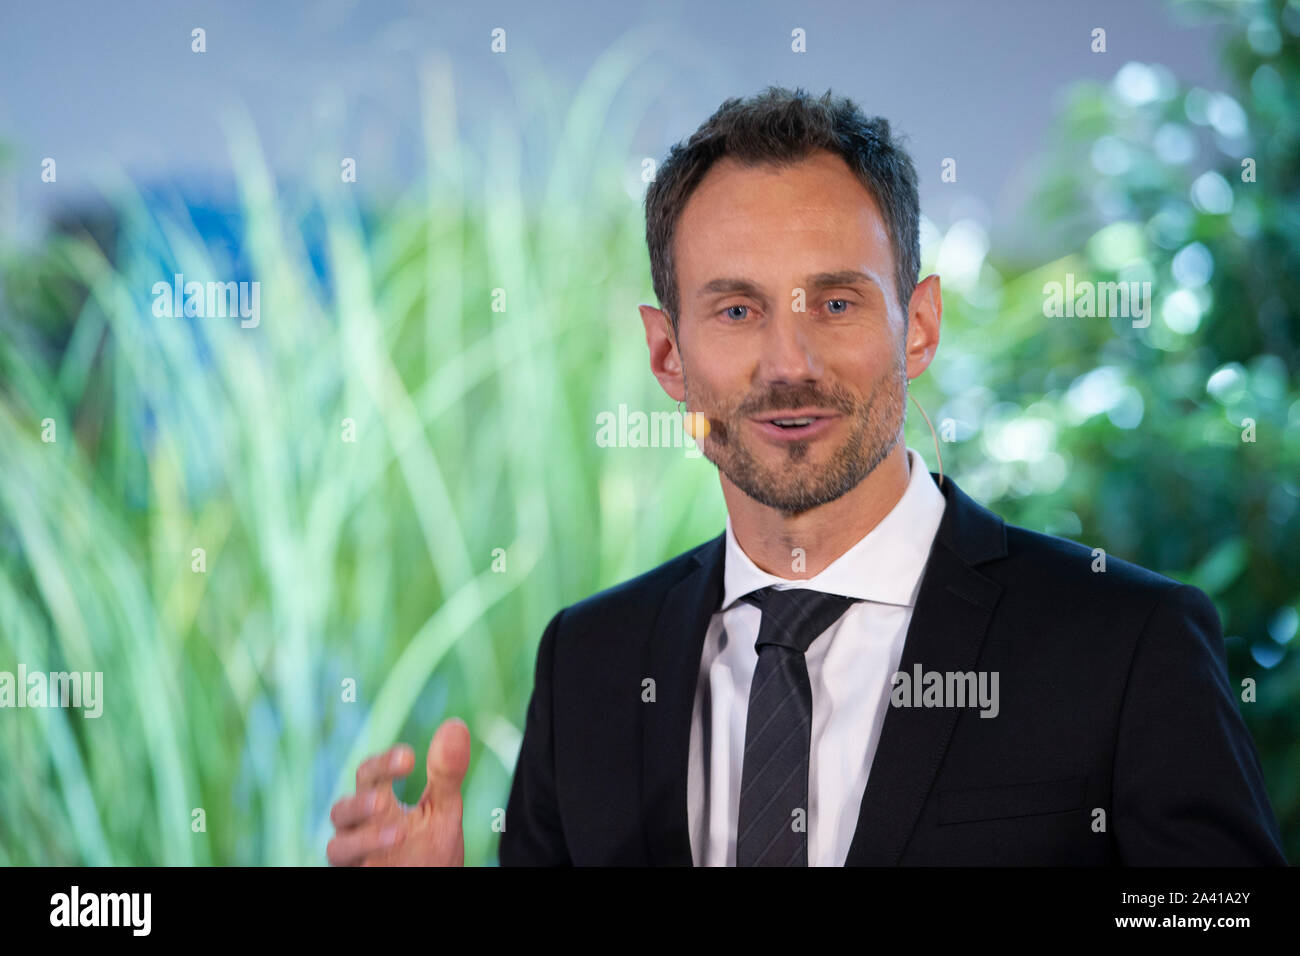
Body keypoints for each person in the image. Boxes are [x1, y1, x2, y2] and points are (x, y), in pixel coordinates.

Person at [327, 86, 1287, 867]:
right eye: (737, 312)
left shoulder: (1127, 644)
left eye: (834, 301)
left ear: (918, 326)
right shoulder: (591, 664)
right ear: (667, 356)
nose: (789, 363)